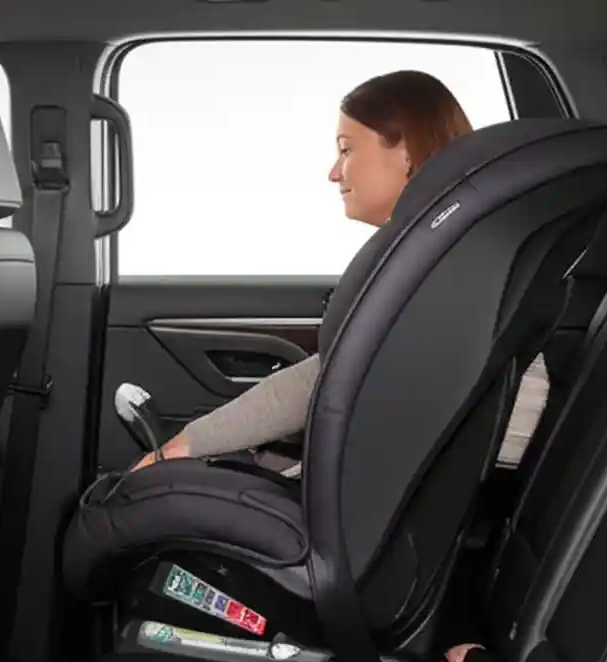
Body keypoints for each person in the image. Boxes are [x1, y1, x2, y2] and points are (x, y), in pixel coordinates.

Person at [132, 69, 475, 472]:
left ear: (407, 153)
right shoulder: (432, 253)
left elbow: (326, 383)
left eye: (346, 150)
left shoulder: (436, 264)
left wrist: (183, 448)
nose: (334, 171)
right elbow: (333, 377)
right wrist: (188, 445)